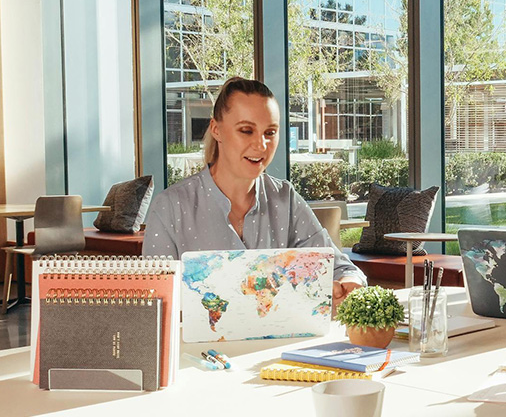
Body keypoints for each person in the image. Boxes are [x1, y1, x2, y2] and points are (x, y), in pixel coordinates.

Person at [144, 77, 366, 306]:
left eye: (270, 132)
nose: (261, 146)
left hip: (283, 342)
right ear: (216, 130)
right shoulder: (170, 207)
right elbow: (154, 307)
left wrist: (349, 281)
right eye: (246, 130)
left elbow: (340, 267)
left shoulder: (285, 199)